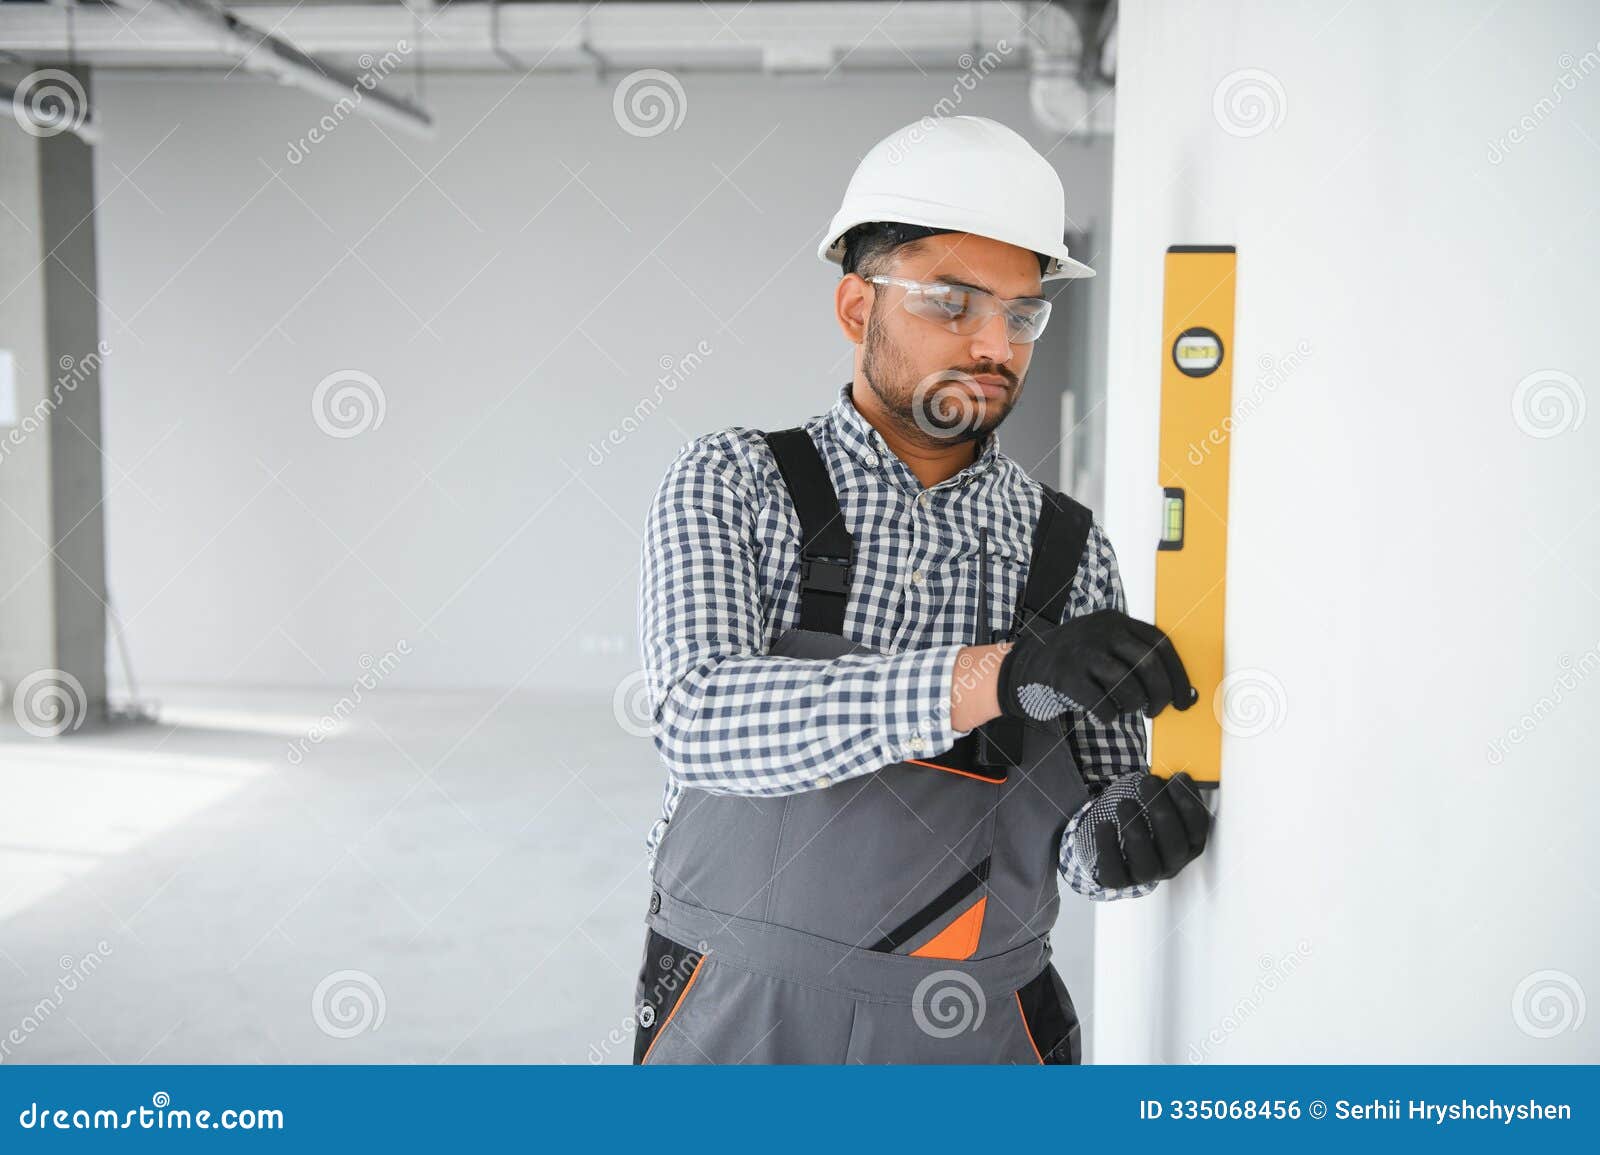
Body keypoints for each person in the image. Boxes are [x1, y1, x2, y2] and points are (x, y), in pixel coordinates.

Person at [632, 115, 1211, 1065]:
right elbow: (701, 719)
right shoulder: (735, 482)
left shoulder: (1067, 550)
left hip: (978, 1035)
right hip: (733, 1014)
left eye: (1023, 313)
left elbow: (1083, 826)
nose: (997, 343)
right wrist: (1002, 672)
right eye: (954, 302)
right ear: (858, 309)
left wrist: (1122, 842)